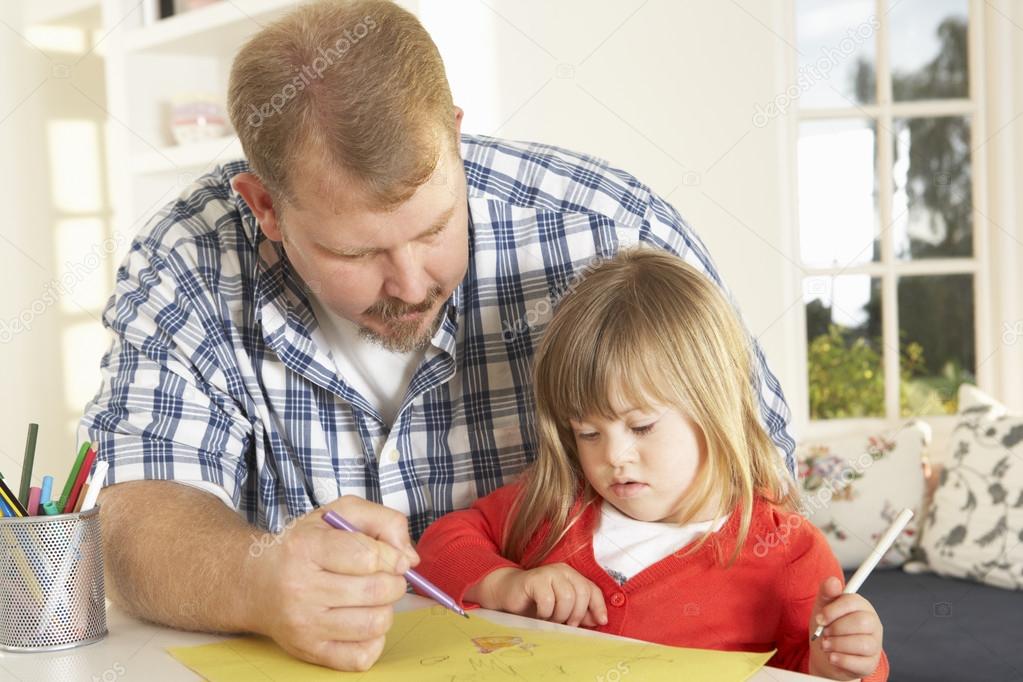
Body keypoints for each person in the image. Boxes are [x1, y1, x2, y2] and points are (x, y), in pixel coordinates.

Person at [79, 0, 796, 673]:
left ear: (454, 136)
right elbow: (134, 517)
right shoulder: (187, 260)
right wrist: (253, 578)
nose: (411, 283)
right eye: (355, 254)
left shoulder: (611, 233)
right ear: (265, 206)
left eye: (432, 229)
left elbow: (754, 481)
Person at [414, 249, 888, 681]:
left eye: (641, 427)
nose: (613, 457)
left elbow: (808, 668)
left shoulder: (786, 553)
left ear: (713, 407)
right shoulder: (556, 505)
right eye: (588, 433)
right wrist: (505, 584)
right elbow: (439, 548)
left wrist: (840, 665)